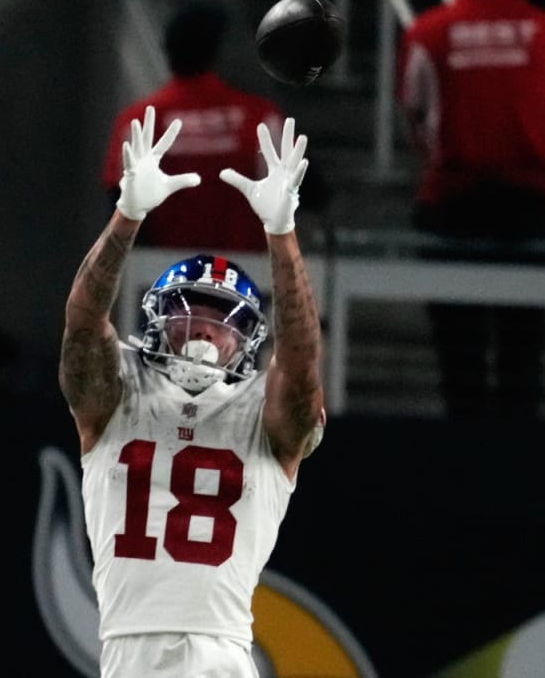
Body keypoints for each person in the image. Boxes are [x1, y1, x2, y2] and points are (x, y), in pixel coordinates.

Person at [60, 106, 326, 677]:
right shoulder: (118, 392)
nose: (205, 331)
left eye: (223, 322)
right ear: (157, 320)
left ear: (247, 342)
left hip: (217, 657)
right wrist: (127, 215)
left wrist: (281, 235)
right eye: (190, 316)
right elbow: (83, 323)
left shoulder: (263, 409)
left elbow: (302, 364)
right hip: (125, 655)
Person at [396, 0, 545, 420]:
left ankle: (464, 470)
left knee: (459, 361)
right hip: (530, 209)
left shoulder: (426, 34)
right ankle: (516, 472)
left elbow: (415, 116)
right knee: (523, 358)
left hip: (452, 208)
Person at [101, 2, 326, 253]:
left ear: (167, 51)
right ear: (218, 52)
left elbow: (119, 211)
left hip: (161, 279)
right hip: (245, 279)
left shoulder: (138, 121)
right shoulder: (261, 119)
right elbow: (314, 194)